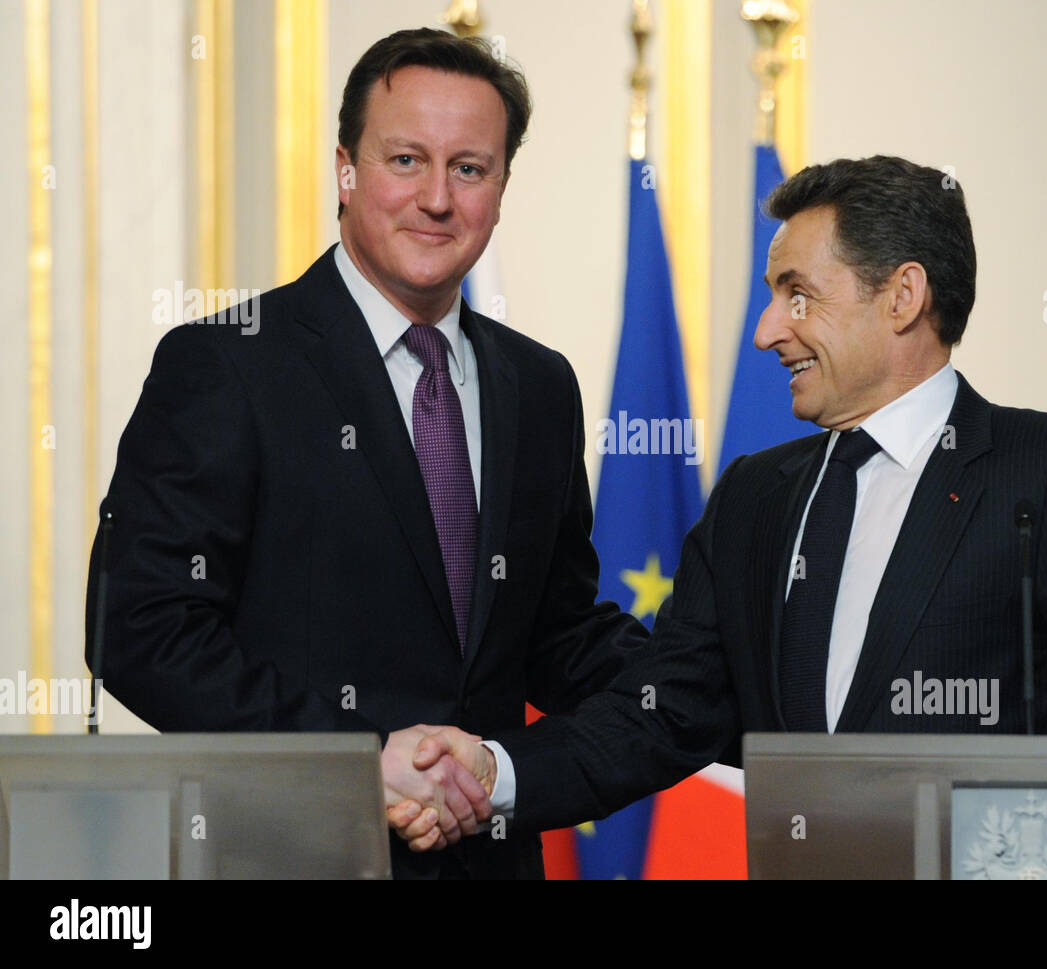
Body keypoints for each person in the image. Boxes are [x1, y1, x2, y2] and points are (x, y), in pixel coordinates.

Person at [395, 155, 1047, 845]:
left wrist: (1025, 850)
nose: (768, 328)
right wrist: (492, 774)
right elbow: (660, 715)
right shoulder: (755, 499)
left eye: (796, 292)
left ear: (903, 296)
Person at [84, 27, 647, 879]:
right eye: (405, 160)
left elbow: (557, 633)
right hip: (294, 859)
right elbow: (140, 628)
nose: (436, 198)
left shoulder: (540, 386)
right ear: (345, 168)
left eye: (469, 168)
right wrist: (355, 757)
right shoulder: (229, 363)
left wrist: (719, 676)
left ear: (500, 187)